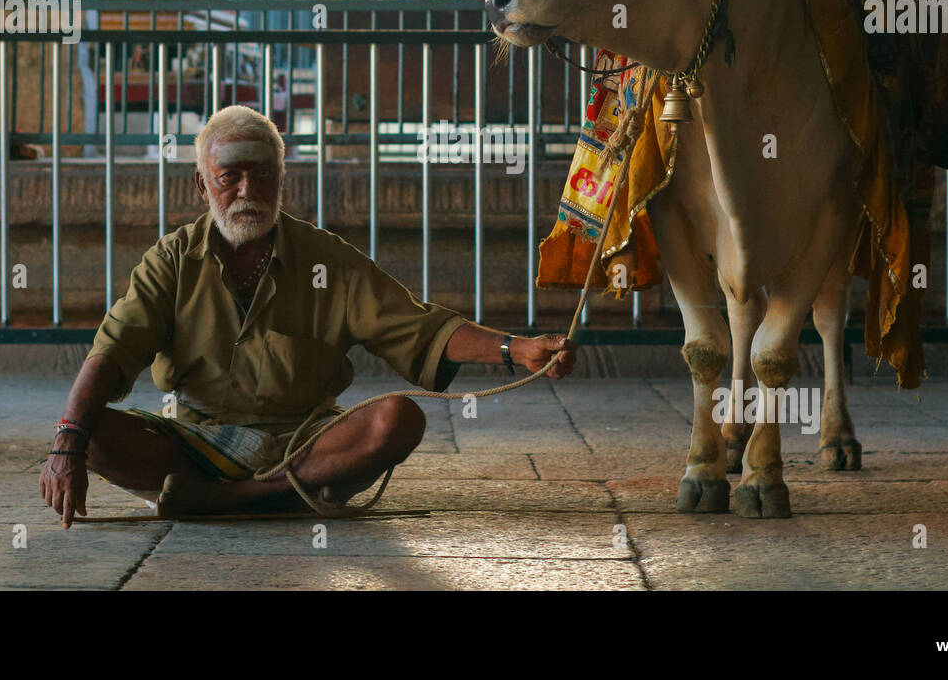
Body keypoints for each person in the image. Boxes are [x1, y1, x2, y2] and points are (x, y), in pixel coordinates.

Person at [40, 105, 576, 525]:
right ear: (202, 186)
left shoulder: (325, 259)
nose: (247, 191)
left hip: (309, 442)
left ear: (282, 180)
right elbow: (110, 353)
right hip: (199, 446)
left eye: (262, 175)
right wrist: (67, 444)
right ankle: (272, 498)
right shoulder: (172, 261)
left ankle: (234, 501)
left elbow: (420, 327)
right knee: (93, 432)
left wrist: (516, 349)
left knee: (398, 419)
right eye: (229, 177)